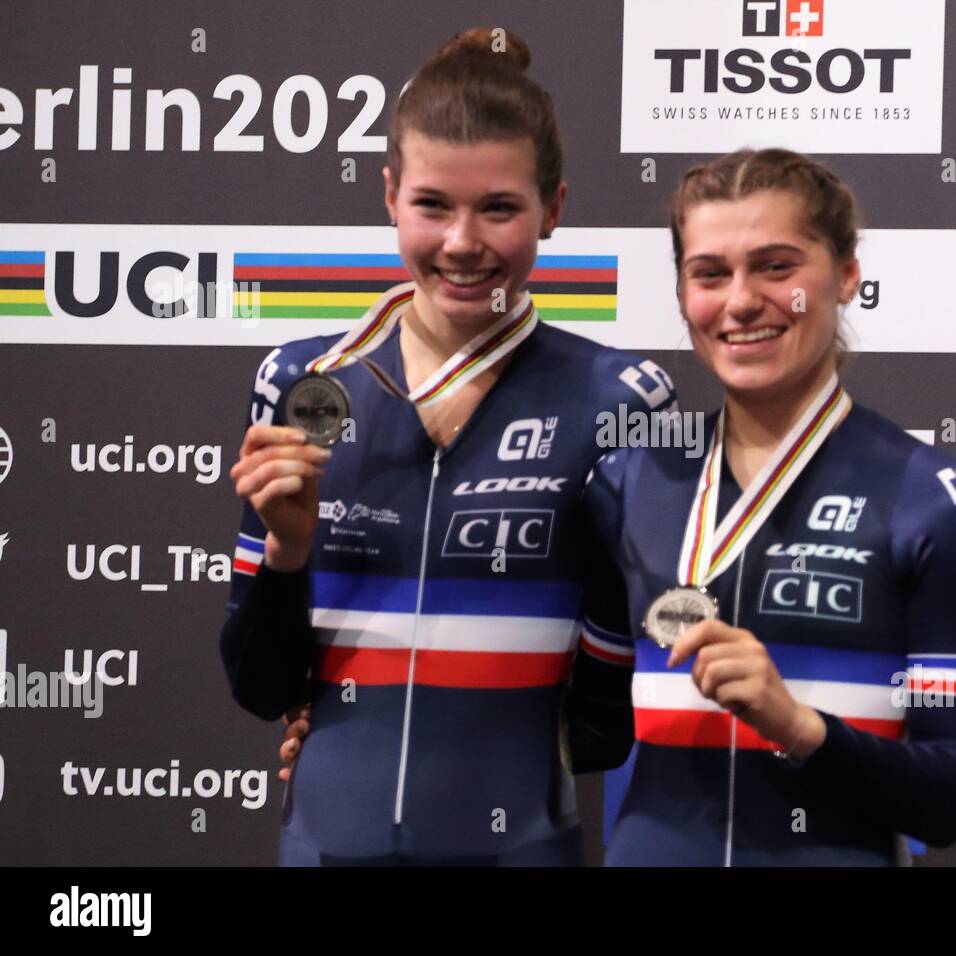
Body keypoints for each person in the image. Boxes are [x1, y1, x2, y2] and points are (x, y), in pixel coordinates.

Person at [221, 28, 674, 866]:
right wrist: (286, 548)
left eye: (499, 207)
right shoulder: (302, 381)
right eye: (433, 204)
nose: (464, 243)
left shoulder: (623, 400)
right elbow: (261, 688)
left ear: (556, 208)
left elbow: (611, 715)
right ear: (390, 195)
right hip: (324, 847)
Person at [581, 148, 956, 865]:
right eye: (710, 273)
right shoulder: (629, 480)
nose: (741, 300)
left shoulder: (935, 501)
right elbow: (587, 730)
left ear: (846, 276)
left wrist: (799, 726)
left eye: (777, 267)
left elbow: (947, 801)